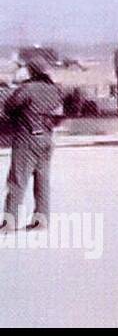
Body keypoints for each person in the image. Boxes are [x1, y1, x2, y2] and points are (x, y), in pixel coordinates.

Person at [1, 58, 64, 231]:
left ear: (32, 71)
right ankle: (41, 221)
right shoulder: (55, 90)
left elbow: (9, 107)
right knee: (42, 181)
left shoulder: (27, 88)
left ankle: (9, 222)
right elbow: (59, 115)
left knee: (17, 181)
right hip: (47, 138)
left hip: (26, 138)